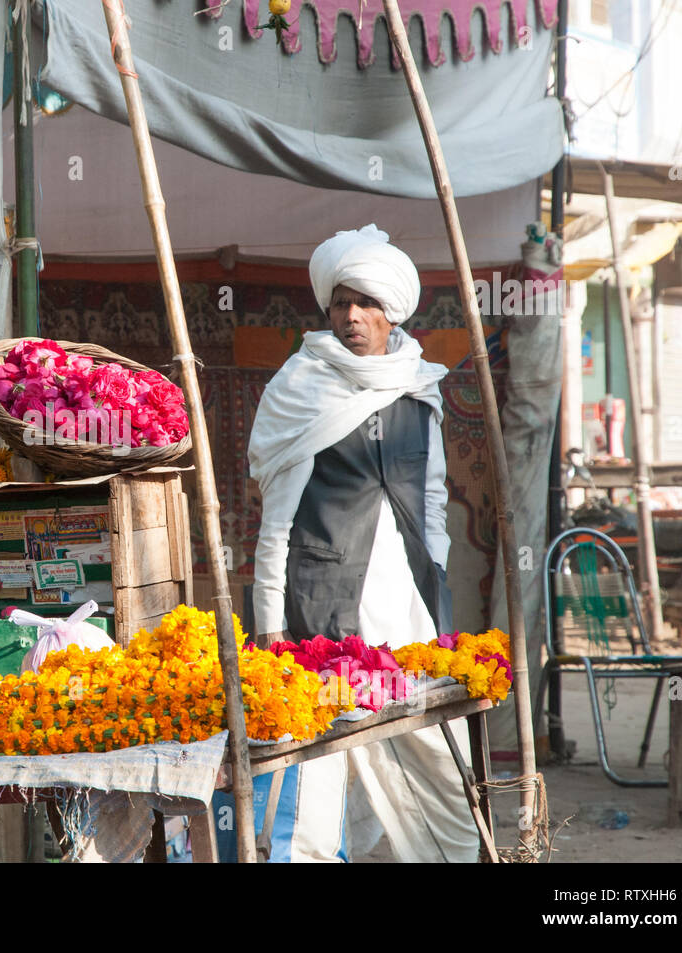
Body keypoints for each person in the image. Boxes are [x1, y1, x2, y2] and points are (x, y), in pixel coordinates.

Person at [246, 224, 478, 862]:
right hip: (318, 605)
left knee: (428, 745)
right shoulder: (300, 389)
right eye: (341, 303)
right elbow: (276, 524)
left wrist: (436, 589)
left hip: (403, 606)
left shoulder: (417, 387)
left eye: (366, 303)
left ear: (391, 311)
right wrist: (269, 623)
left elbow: (432, 504)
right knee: (320, 757)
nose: (352, 316)